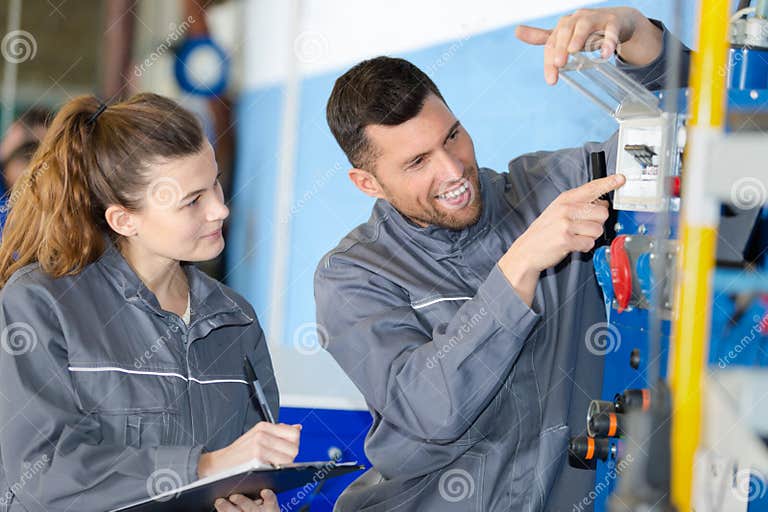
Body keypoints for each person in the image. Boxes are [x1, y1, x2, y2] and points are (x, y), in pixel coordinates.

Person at [314, 7, 686, 511]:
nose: (452, 171)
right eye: (418, 162)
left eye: (452, 136)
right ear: (369, 184)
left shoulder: (555, 189)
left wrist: (639, 38)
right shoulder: (354, 275)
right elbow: (426, 410)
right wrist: (519, 265)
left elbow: (687, 138)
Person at [0, 93, 300, 512]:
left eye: (214, 182)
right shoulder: (39, 304)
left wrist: (257, 502)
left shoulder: (236, 319)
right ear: (124, 219)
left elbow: (250, 469)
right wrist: (205, 466)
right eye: (193, 200)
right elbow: (41, 474)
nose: (220, 209)